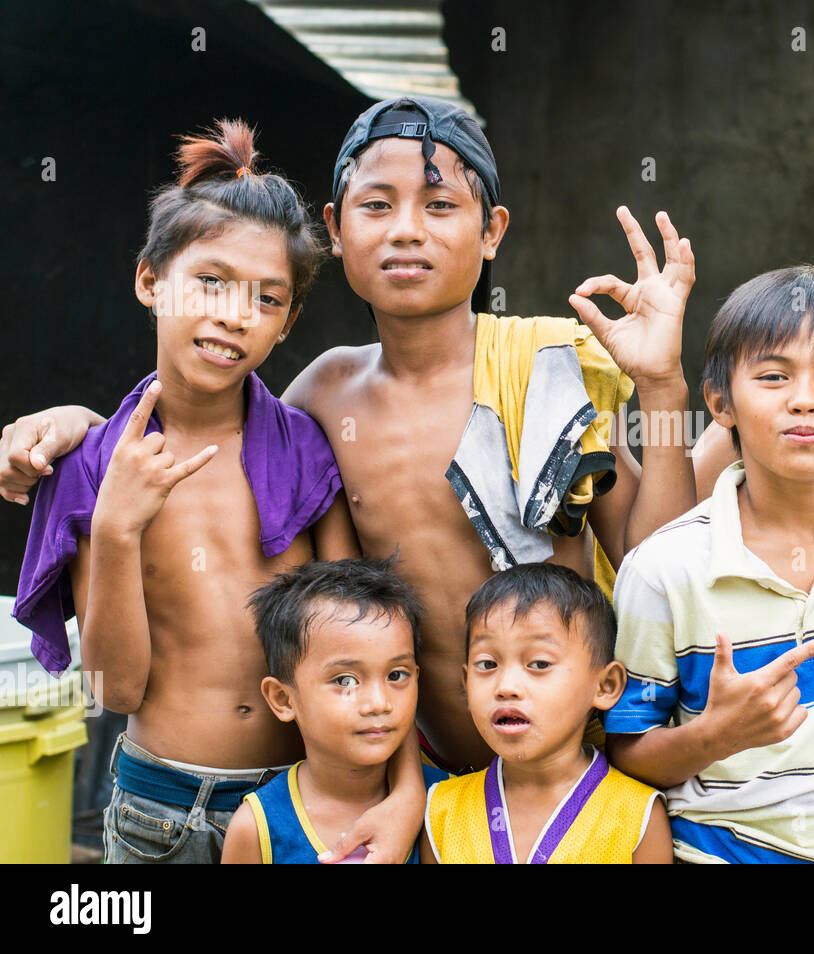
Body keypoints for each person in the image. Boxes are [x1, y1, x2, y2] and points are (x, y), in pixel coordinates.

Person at [1, 98, 698, 801]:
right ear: (335, 229)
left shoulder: (541, 370)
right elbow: (207, 417)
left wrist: (664, 389)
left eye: (438, 206)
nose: (406, 231)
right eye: (376, 206)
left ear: (491, 232)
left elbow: (661, 563)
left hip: (568, 771)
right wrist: (81, 428)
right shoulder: (327, 396)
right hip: (420, 779)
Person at [9, 120, 425, 864]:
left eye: (267, 299)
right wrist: (115, 529)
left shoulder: (303, 454)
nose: (235, 315)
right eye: (211, 282)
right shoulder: (96, 467)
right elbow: (118, 690)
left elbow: (366, 639)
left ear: (288, 322)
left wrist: (404, 792)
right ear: (149, 280)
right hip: (156, 809)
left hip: (296, 801)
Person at [604, 266, 814, 863]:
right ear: (720, 401)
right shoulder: (663, 569)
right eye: (773, 376)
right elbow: (627, 752)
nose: (804, 399)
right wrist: (716, 735)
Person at [421, 563, 671, 863]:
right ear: (466, 683)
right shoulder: (442, 810)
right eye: (487, 664)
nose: (506, 687)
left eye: (539, 664)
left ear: (605, 685)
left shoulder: (638, 814)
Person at [223, 557, 437, 864]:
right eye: (345, 680)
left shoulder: (449, 802)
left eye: (396, 675)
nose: (379, 702)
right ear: (283, 699)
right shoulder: (257, 829)